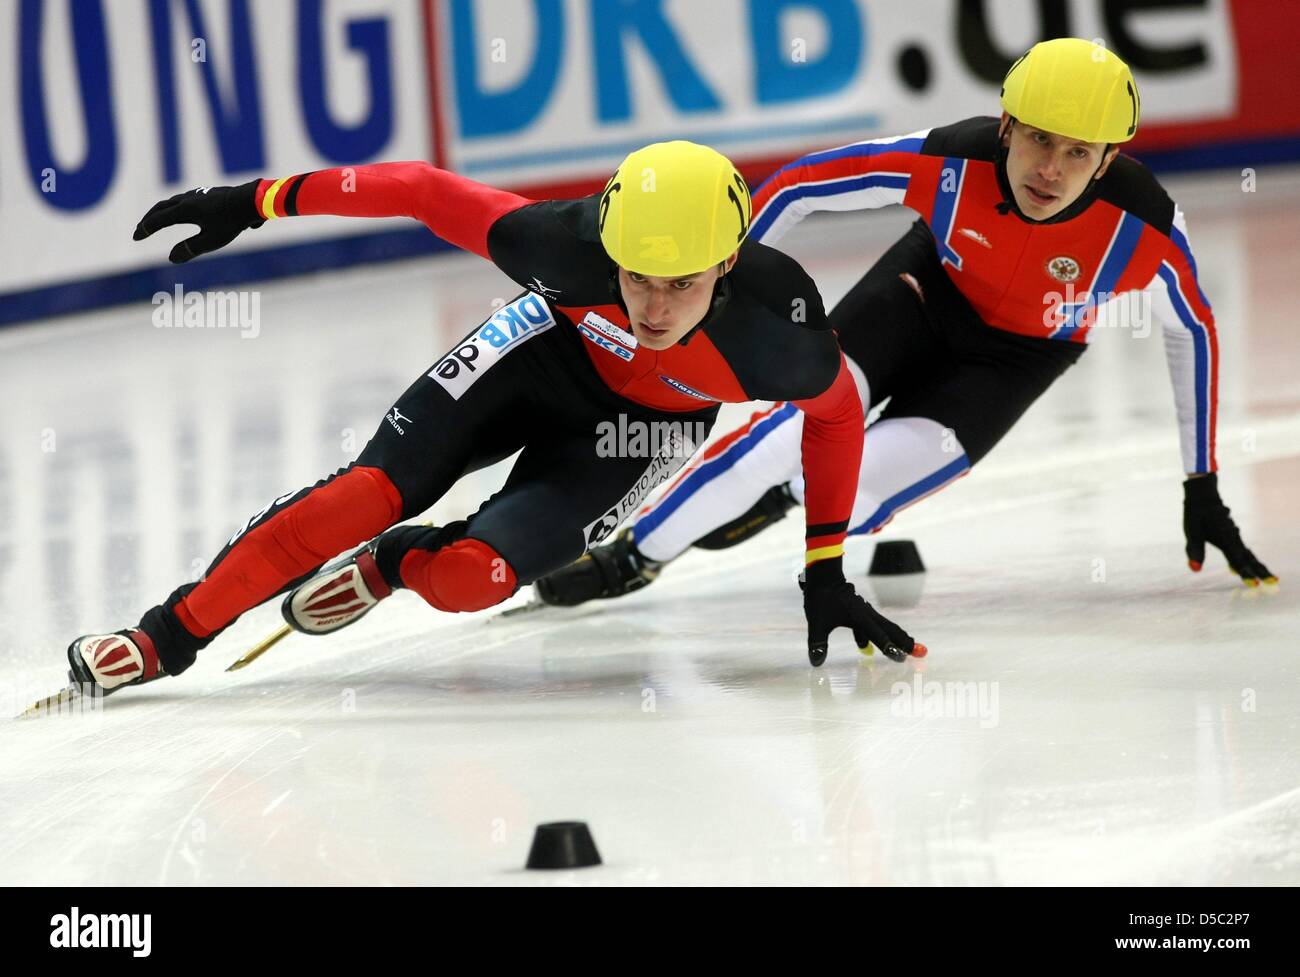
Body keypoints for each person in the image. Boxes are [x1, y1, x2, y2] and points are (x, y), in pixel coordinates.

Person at [64, 140, 926, 700]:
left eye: (684, 282)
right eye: (636, 276)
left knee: (468, 576)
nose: (654, 307)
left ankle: (398, 563)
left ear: (729, 263)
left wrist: (823, 567)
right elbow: (420, 188)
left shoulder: (781, 337)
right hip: (541, 352)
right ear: (608, 248)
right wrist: (259, 199)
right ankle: (163, 636)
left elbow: (837, 420)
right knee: (364, 492)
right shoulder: (563, 243)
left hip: (646, 429)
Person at [535, 38, 1274, 610]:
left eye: (1077, 153)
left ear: (1109, 160)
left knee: (844, 487)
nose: (1050, 168)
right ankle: (631, 558)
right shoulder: (952, 159)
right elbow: (799, 187)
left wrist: (1200, 480)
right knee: (784, 442)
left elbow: (1193, 332)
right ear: (1007, 126)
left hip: (1014, 362)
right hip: (919, 294)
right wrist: (725, 291)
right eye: (1039, 139)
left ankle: (780, 502)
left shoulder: (1143, 229)